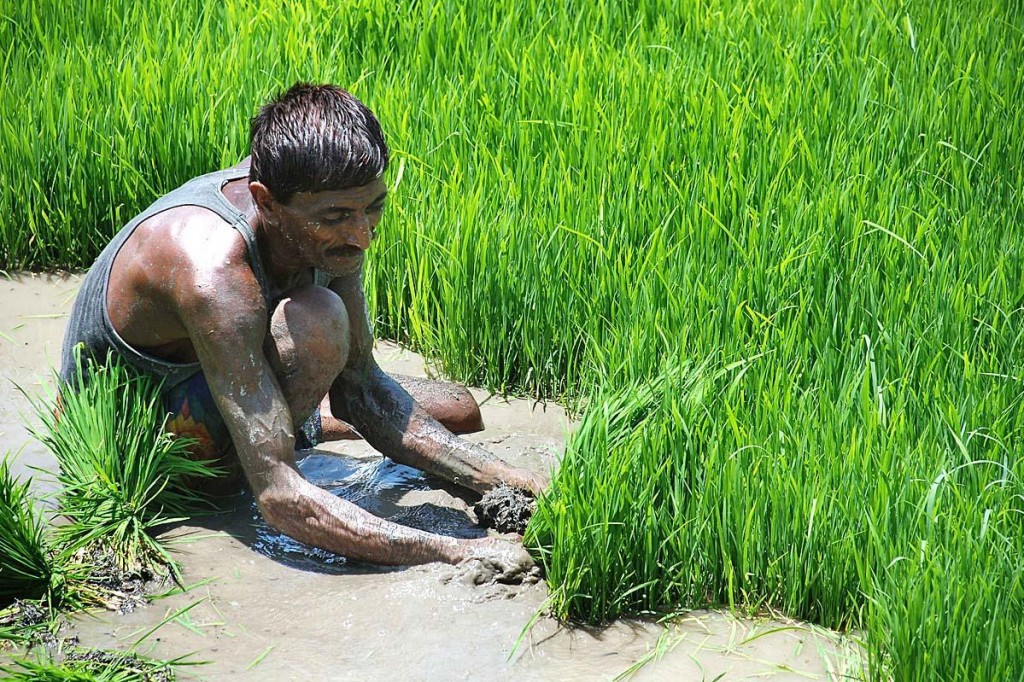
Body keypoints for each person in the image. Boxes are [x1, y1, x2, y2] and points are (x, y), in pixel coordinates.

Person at [60, 83, 546, 580]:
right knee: (318, 322)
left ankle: (301, 428)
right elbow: (277, 495)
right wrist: (458, 550)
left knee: (458, 408)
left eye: (373, 207)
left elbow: (362, 391)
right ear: (266, 202)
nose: (362, 235)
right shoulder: (212, 273)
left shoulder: (326, 220)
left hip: (232, 378)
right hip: (142, 433)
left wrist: (513, 484)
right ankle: (240, 471)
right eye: (336, 217)